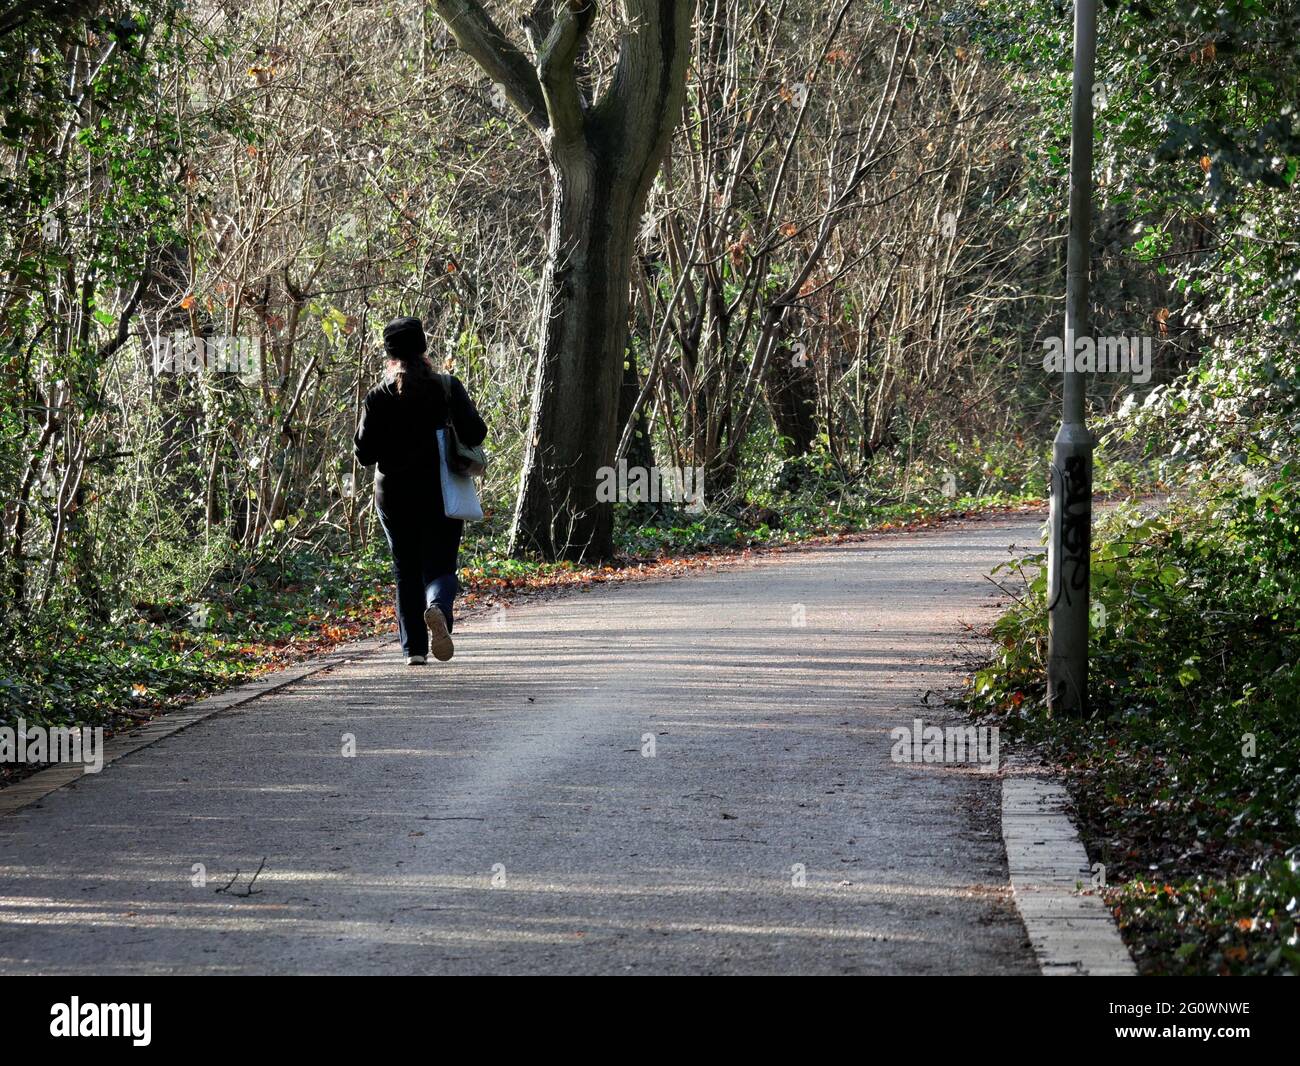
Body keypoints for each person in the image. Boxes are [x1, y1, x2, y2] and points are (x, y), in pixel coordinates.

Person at [354, 316, 487, 665]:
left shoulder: (377, 397)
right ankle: (438, 607)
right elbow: (475, 434)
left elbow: (364, 454)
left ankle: (414, 650)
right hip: (440, 490)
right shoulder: (446, 386)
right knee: (441, 565)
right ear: (424, 349)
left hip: (394, 495)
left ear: (389, 354)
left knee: (406, 569)